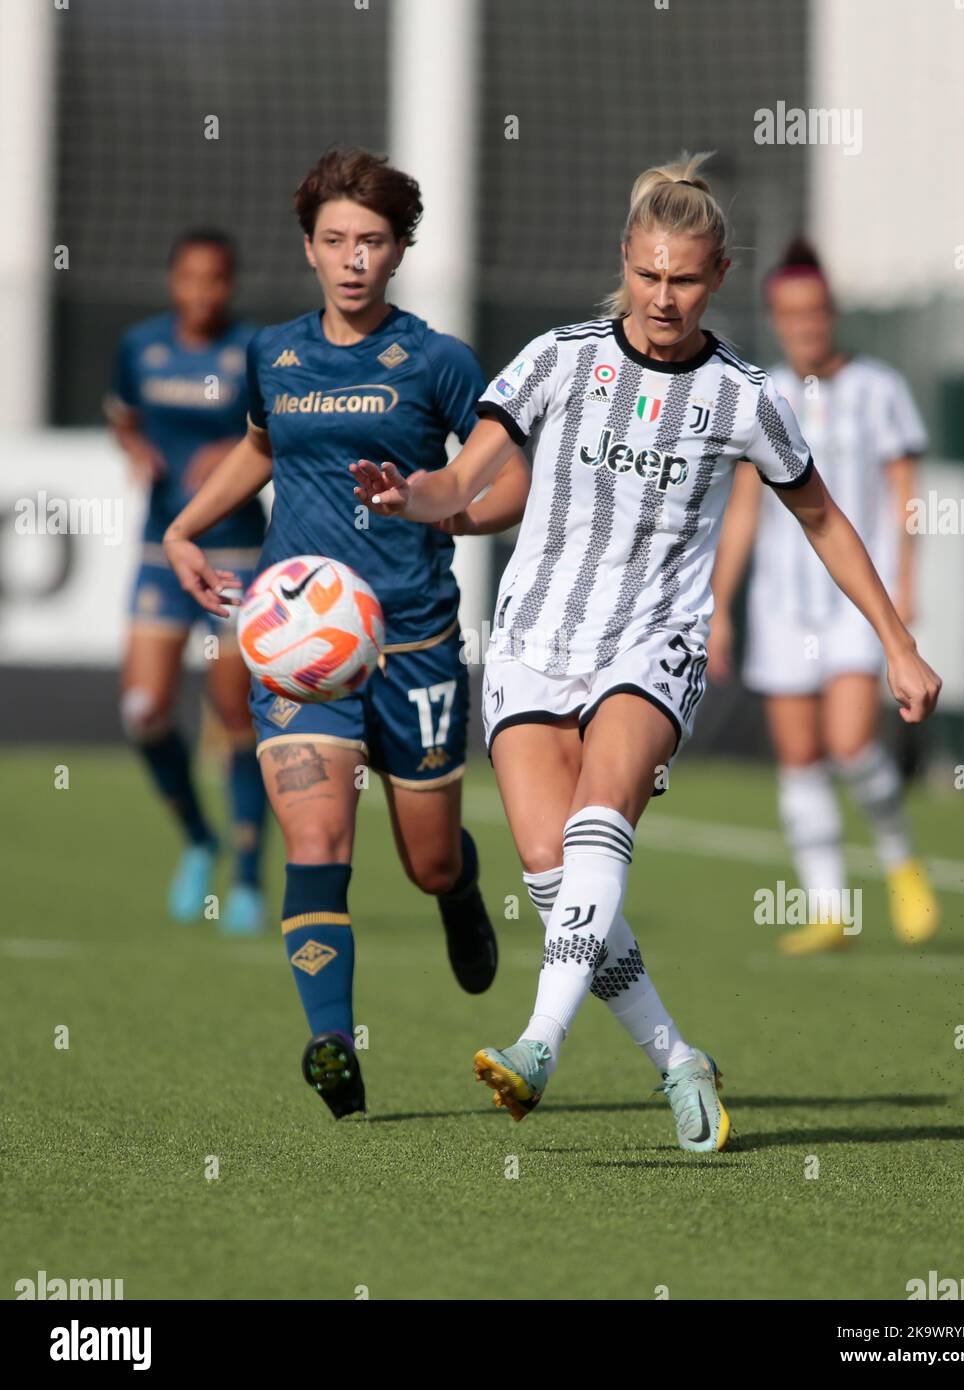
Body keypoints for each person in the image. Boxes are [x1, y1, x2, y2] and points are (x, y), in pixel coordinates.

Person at [351, 153, 941, 1154]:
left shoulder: (744, 398)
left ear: (715, 279)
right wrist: (411, 496)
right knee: (552, 874)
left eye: (683, 279)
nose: (662, 296)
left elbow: (826, 521)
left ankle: (537, 1042)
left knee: (597, 816)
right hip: (536, 637)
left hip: (654, 640)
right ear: (624, 256)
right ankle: (676, 1058)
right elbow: (462, 484)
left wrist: (897, 641)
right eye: (648, 273)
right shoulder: (554, 359)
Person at [162, 148, 530, 1118]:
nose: (352, 259)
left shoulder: (440, 361)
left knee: (427, 859)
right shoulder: (273, 354)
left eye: (371, 241)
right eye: (334, 241)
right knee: (318, 837)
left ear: (400, 248)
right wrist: (187, 527)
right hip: (301, 653)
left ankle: (458, 894)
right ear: (309, 247)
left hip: (412, 644)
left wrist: (446, 514)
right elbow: (259, 445)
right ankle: (331, 1042)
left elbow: (511, 479)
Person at [708, 237, 941, 955]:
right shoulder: (764, 393)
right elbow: (744, 507)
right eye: (789, 314)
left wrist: (904, 584)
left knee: (849, 744)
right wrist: (719, 606)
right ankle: (828, 907)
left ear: (831, 312)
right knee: (800, 756)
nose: (804, 326)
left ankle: (900, 859)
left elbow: (905, 494)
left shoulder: (880, 388)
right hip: (782, 603)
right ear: (777, 317)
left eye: (814, 312)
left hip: (852, 601)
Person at [106, 229, 268, 935]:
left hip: (236, 553)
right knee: (143, 710)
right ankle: (199, 841)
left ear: (230, 284)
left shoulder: (254, 352)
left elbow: (273, 433)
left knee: (235, 714)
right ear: (173, 282)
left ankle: (249, 878)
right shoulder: (140, 346)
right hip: (161, 551)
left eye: (216, 280)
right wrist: (137, 449)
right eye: (191, 279)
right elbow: (123, 417)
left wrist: (231, 452)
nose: (203, 293)